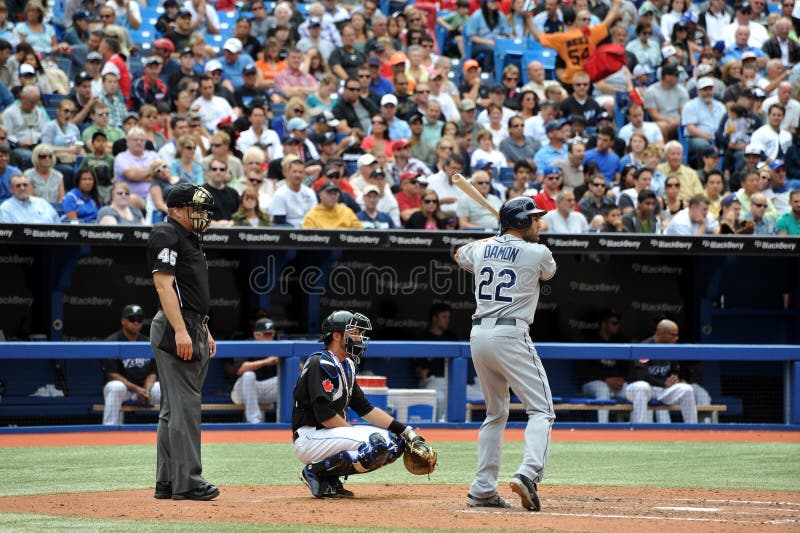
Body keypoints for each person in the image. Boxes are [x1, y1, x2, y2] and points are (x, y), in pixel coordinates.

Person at [455, 197, 556, 511]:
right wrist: (506, 237)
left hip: (479, 334)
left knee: (495, 413)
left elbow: (458, 253)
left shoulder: (481, 248)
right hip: (511, 333)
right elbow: (549, 272)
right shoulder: (538, 252)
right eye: (533, 219)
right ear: (521, 223)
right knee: (542, 410)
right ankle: (528, 473)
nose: (539, 224)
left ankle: (483, 488)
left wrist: (495, 237)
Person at [293, 310, 427, 499]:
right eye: (354, 333)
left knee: (396, 443)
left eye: (360, 333)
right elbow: (323, 414)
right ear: (336, 335)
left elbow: (365, 408)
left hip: (330, 435)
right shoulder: (320, 362)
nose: (359, 338)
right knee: (374, 444)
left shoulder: (346, 365)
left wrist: (407, 432)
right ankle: (314, 472)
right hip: (310, 437)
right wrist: (354, 434)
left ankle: (330, 478)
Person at [147, 183, 219, 502]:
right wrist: (180, 330)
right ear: (178, 210)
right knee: (186, 408)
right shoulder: (167, 233)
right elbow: (164, 286)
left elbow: (190, 292)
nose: (203, 214)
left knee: (171, 410)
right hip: (178, 326)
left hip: (193, 324)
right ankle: (188, 481)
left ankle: (167, 482)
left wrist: (204, 328)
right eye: (197, 208)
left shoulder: (190, 236)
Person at [626, 319, 698, 424]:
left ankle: (692, 427)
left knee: (687, 389)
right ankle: (640, 427)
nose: (676, 338)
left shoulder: (671, 348)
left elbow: (675, 369)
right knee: (642, 386)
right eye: (673, 335)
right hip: (637, 390)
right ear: (661, 333)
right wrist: (663, 383)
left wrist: (674, 377)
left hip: (662, 390)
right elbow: (641, 375)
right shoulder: (645, 346)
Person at [101, 304, 161, 425]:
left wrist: (146, 390)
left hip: (145, 390)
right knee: (115, 387)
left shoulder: (148, 342)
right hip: (125, 391)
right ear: (123, 321)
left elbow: (152, 373)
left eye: (139, 320)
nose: (136, 323)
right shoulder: (112, 341)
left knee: (163, 387)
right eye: (132, 319)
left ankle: (170, 431)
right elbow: (112, 374)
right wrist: (137, 389)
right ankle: (109, 431)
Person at [578, 310, 629, 423]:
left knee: (634, 391)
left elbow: (627, 366)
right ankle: (603, 426)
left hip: (615, 385)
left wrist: (622, 378)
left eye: (618, 323)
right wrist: (605, 379)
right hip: (592, 383)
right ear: (603, 324)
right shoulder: (589, 340)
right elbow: (584, 369)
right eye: (614, 323)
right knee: (603, 388)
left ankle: (636, 428)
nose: (617, 326)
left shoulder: (620, 340)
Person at [225, 317, 280, 424]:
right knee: (248, 375)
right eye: (265, 334)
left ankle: (289, 420)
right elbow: (240, 370)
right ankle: (254, 421)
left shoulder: (277, 347)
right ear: (256, 335)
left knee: (289, 377)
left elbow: (297, 367)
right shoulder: (246, 346)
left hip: (263, 391)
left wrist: (290, 364)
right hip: (240, 392)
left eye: (271, 334)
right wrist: (267, 361)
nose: (269, 338)